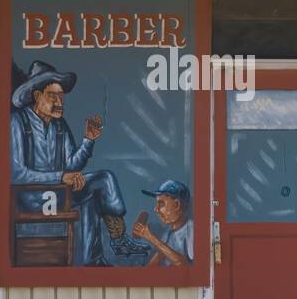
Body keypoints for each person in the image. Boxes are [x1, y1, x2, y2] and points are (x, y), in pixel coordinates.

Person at [10, 60, 149, 266]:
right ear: (37, 96)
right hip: (31, 197)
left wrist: (88, 140)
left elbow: (72, 165)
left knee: (104, 179)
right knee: (89, 197)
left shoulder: (60, 125)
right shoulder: (17, 123)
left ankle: (115, 243)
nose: (60, 101)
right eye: (52, 96)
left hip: (59, 192)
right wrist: (60, 177)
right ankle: (94, 259)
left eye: (61, 96)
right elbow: (17, 173)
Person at [133, 180, 194, 266]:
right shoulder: (168, 233)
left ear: (177, 204)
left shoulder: (191, 229)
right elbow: (158, 258)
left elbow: (185, 265)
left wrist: (151, 237)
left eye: (161, 203)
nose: (156, 209)